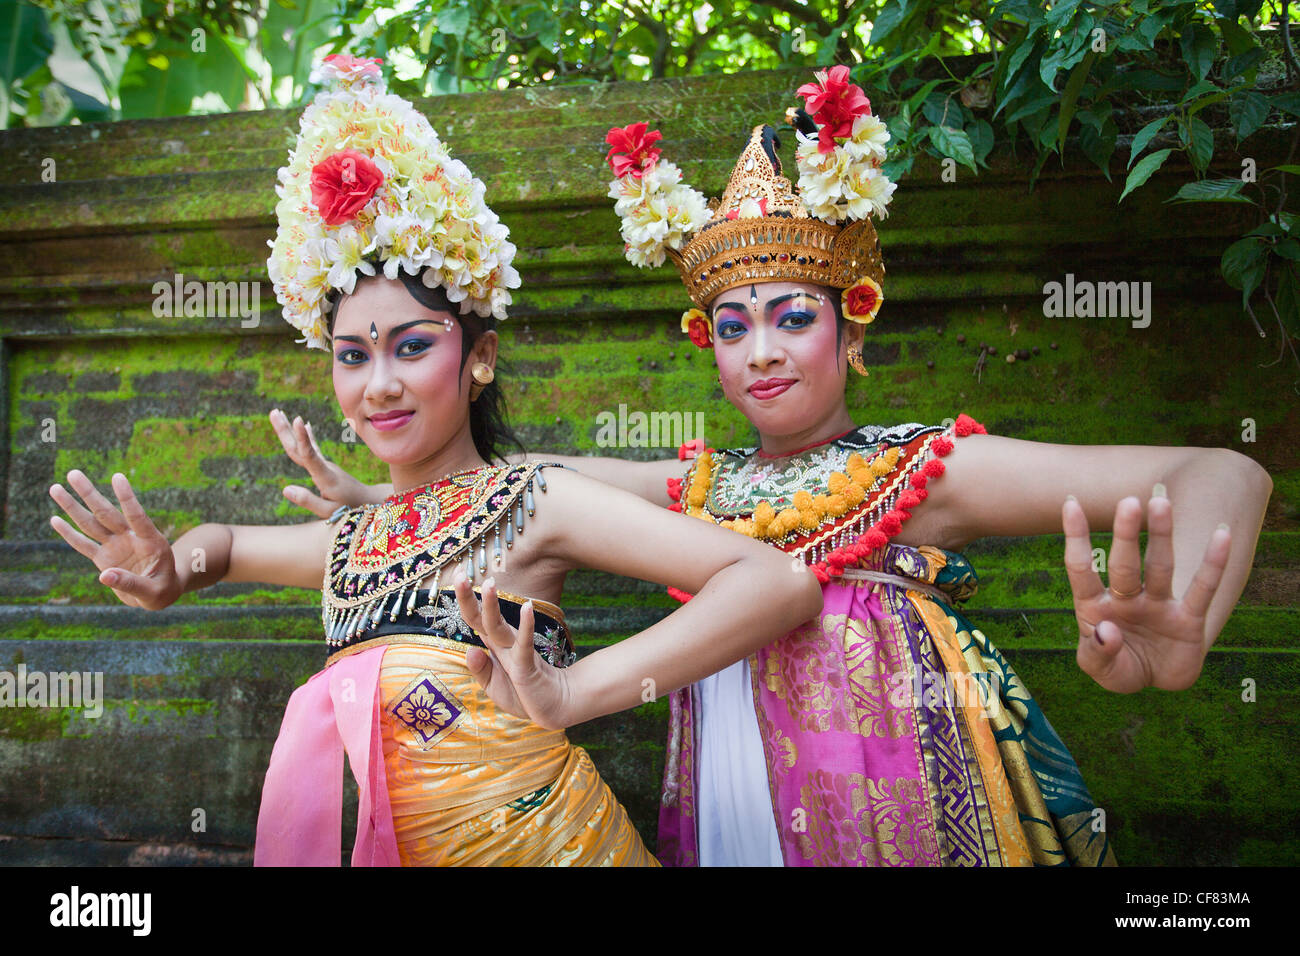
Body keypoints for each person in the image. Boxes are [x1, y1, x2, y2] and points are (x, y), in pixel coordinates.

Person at [269, 67, 1273, 867]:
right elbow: (503, 484)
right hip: (733, 800)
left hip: (908, 795)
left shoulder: (921, 468)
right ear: (706, 341)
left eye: (795, 319)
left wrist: (1186, 617)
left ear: (852, 328)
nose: (763, 351)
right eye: (736, 326)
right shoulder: (694, 488)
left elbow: (1220, 474)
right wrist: (383, 500)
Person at [44, 55, 823, 868]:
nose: (379, 385)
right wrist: (174, 570)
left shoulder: (532, 500)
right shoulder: (354, 544)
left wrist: (571, 694)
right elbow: (229, 546)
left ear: (478, 357)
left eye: (411, 348)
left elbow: (775, 582)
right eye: (352, 356)